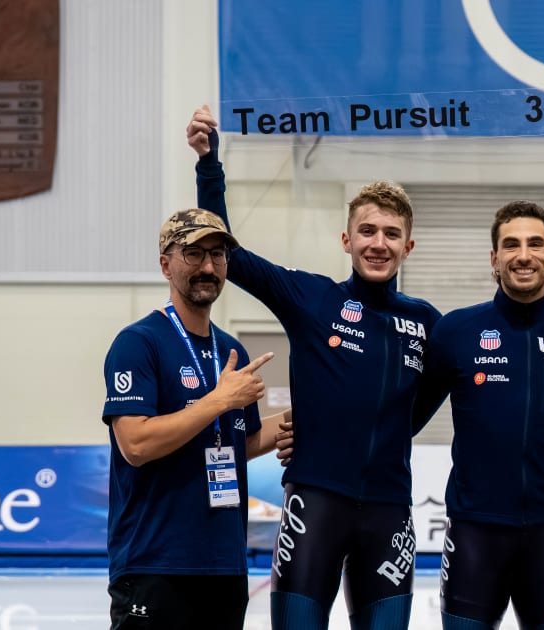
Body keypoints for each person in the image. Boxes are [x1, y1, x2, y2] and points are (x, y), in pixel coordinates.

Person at [188, 107, 442, 630]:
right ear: (346, 240)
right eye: (366, 230)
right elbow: (229, 255)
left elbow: (425, 404)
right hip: (313, 508)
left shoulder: (429, 324)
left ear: (407, 246)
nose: (378, 242)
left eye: (391, 234)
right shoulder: (311, 298)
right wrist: (209, 167)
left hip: (389, 513)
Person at [410, 201, 544, 630]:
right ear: (494, 259)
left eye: (536, 244)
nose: (523, 254)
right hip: (474, 532)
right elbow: (406, 416)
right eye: (510, 245)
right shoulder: (456, 331)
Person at [101, 208, 284, 629]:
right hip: (155, 567)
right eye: (194, 254)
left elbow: (242, 441)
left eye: (217, 255)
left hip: (224, 568)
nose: (207, 266)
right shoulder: (138, 344)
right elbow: (136, 445)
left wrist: (305, 417)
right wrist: (218, 401)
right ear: (165, 264)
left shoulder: (229, 349)